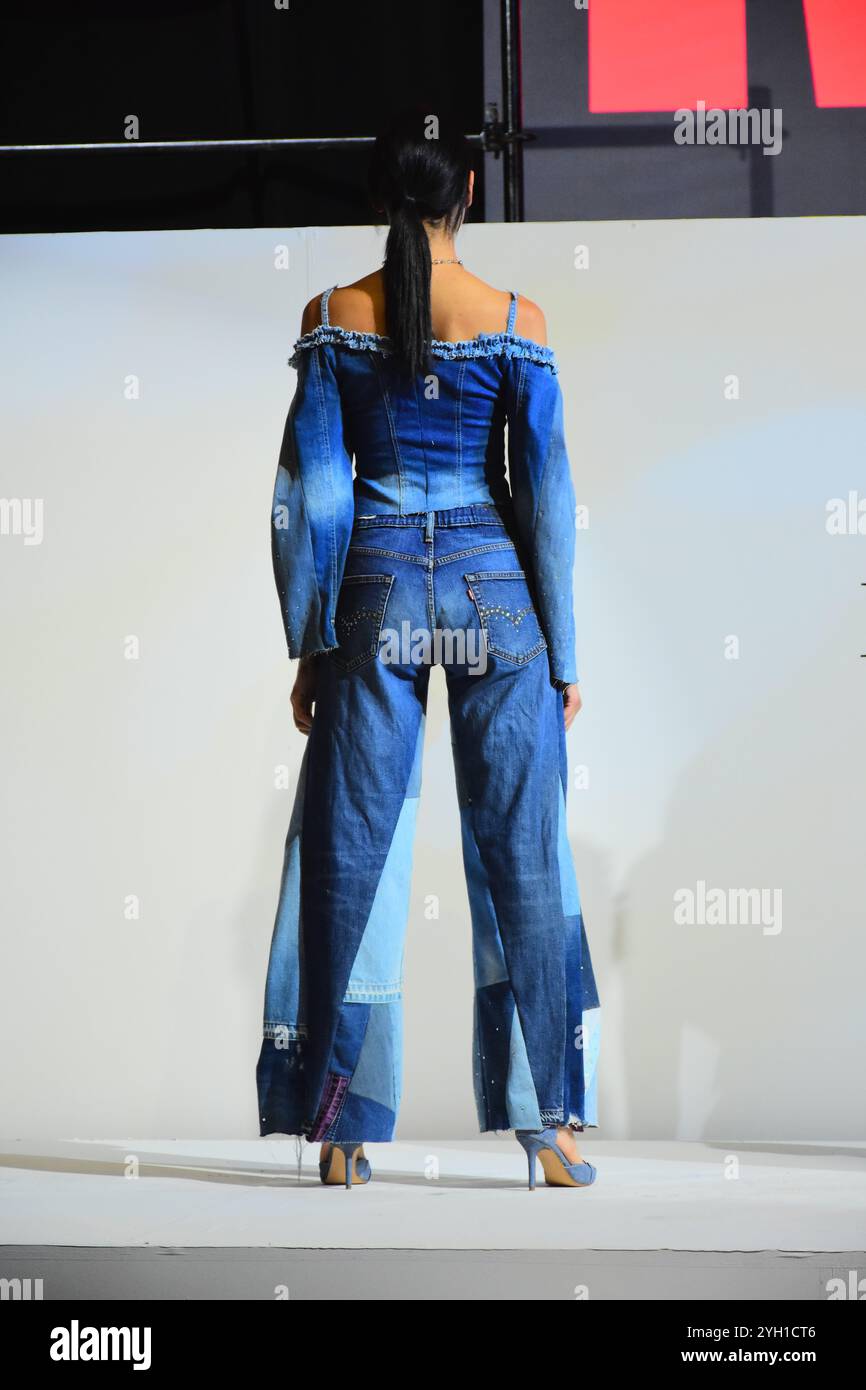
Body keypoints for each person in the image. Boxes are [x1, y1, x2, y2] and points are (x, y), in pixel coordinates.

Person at [256, 109, 600, 1191]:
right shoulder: (517, 319)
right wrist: (564, 653)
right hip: (496, 593)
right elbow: (546, 497)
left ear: (378, 200)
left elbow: (309, 498)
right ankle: (548, 1126)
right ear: (465, 191)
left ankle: (342, 1129)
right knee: (524, 851)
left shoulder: (329, 317)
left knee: (353, 848)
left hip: (373, 588)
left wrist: (309, 640)